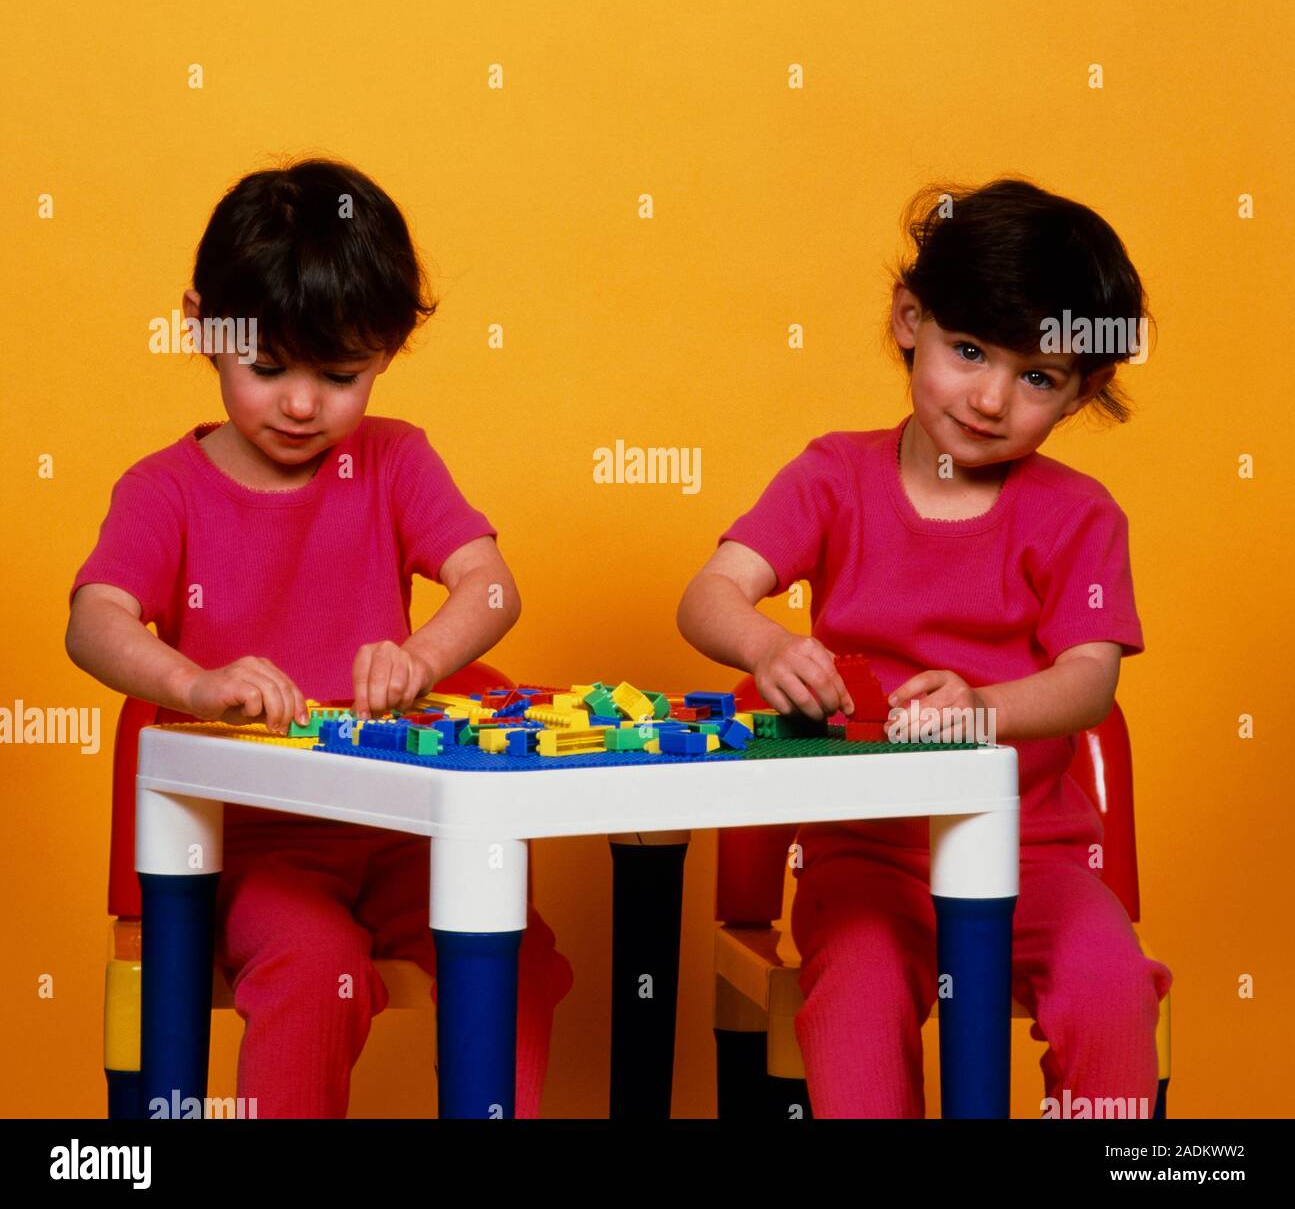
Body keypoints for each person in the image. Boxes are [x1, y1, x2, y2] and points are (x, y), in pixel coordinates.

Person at [66, 157, 573, 1117]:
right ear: (200, 325)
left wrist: (423, 656)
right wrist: (194, 682)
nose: (301, 405)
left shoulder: (393, 459)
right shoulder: (164, 490)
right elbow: (92, 623)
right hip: (255, 848)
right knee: (315, 965)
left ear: (387, 350)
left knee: (515, 950)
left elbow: (492, 586)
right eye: (267, 368)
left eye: (340, 375)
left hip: (393, 829)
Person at [676, 177, 1171, 1118]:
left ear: (1081, 391)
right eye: (968, 350)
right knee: (853, 1009)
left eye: (1035, 377)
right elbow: (707, 596)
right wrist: (768, 647)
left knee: (1110, 996)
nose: (988, 399)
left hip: (1038, 858)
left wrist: (984, 707)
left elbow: (1087, 682)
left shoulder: (1077, 516)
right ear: (910, 320)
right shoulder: (833, 476)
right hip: (865, 861)